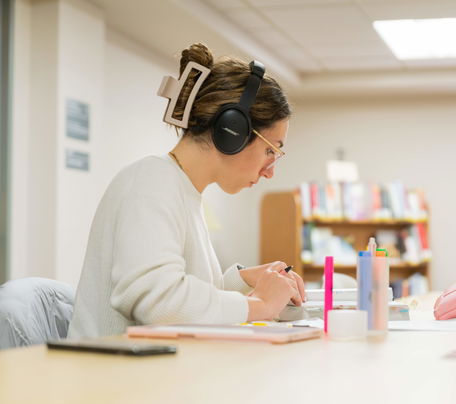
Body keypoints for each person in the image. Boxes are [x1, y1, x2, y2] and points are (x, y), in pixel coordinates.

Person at [68, 43, 305, 339]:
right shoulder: (151, 182)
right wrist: (258, 304)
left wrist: (242, 281)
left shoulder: (181, 188)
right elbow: (158, 301)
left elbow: (184, 295)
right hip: (112, 378)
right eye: (271, 150)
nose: (270, 170)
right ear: (233, 131)